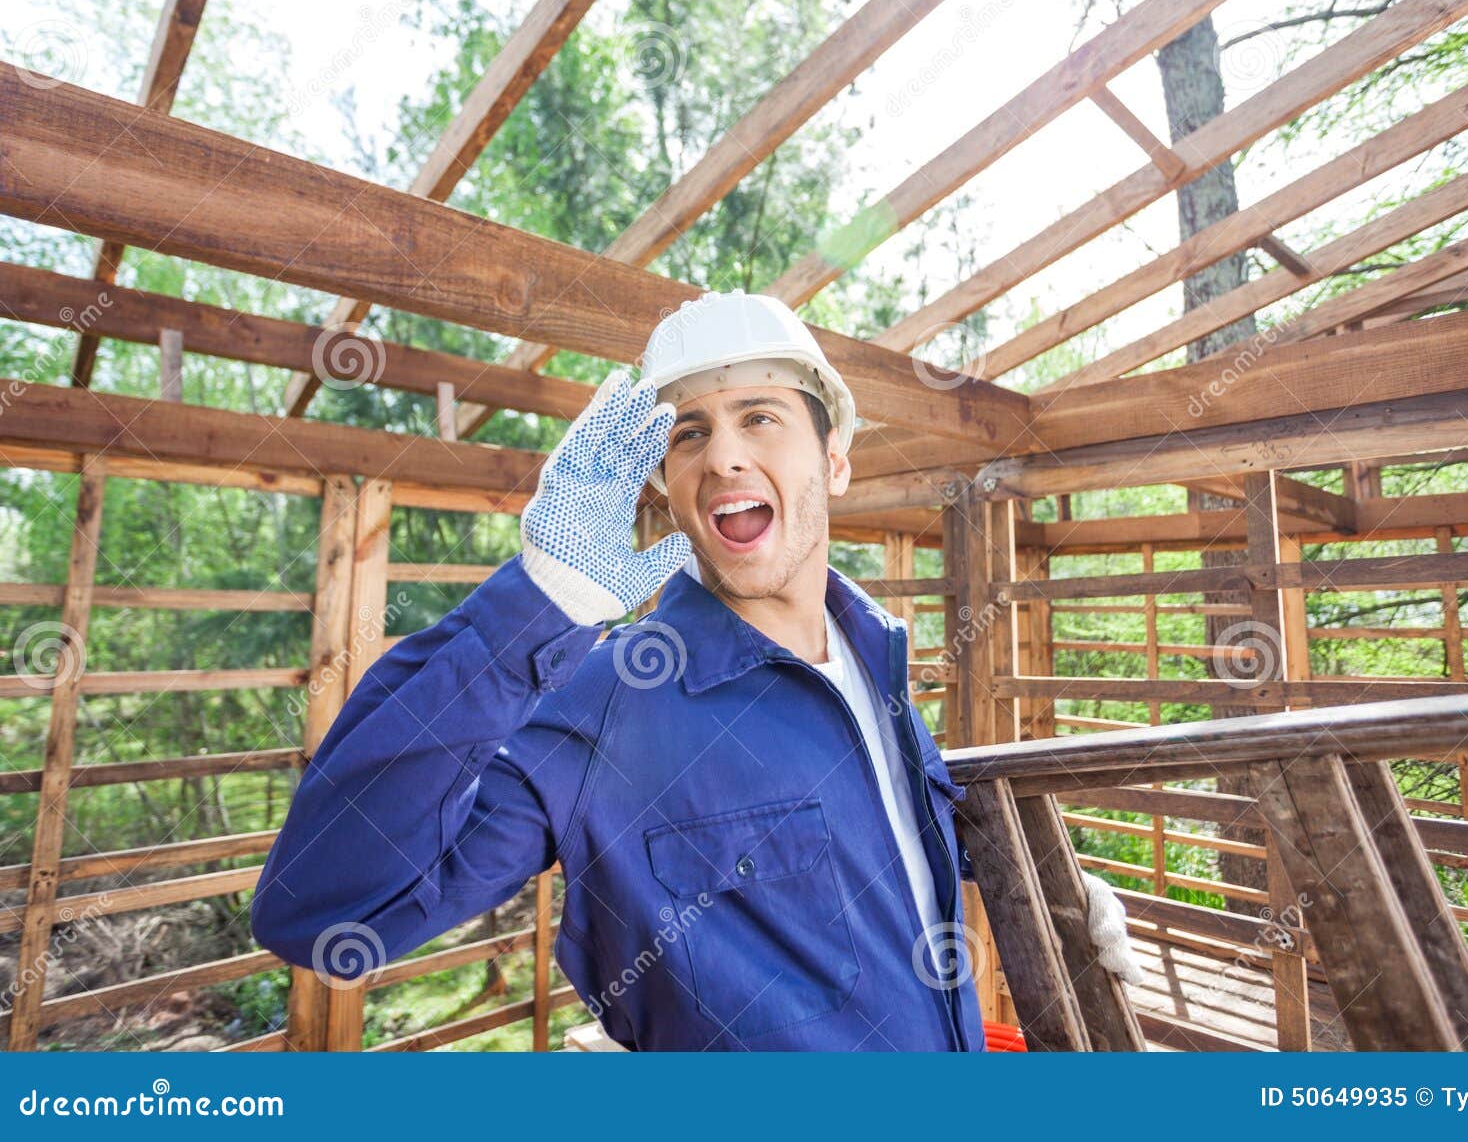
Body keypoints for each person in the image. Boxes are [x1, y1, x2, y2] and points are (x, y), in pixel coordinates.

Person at [251, 290, 1137, 1051]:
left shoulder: (876, 660)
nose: (723, 456)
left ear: (833, 459)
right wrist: (536, 604)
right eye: (689, 433)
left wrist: (1039, 887)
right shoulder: (604, 705)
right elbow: (321, 913)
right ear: (665, 484)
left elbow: (869, 848)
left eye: (760, 417)